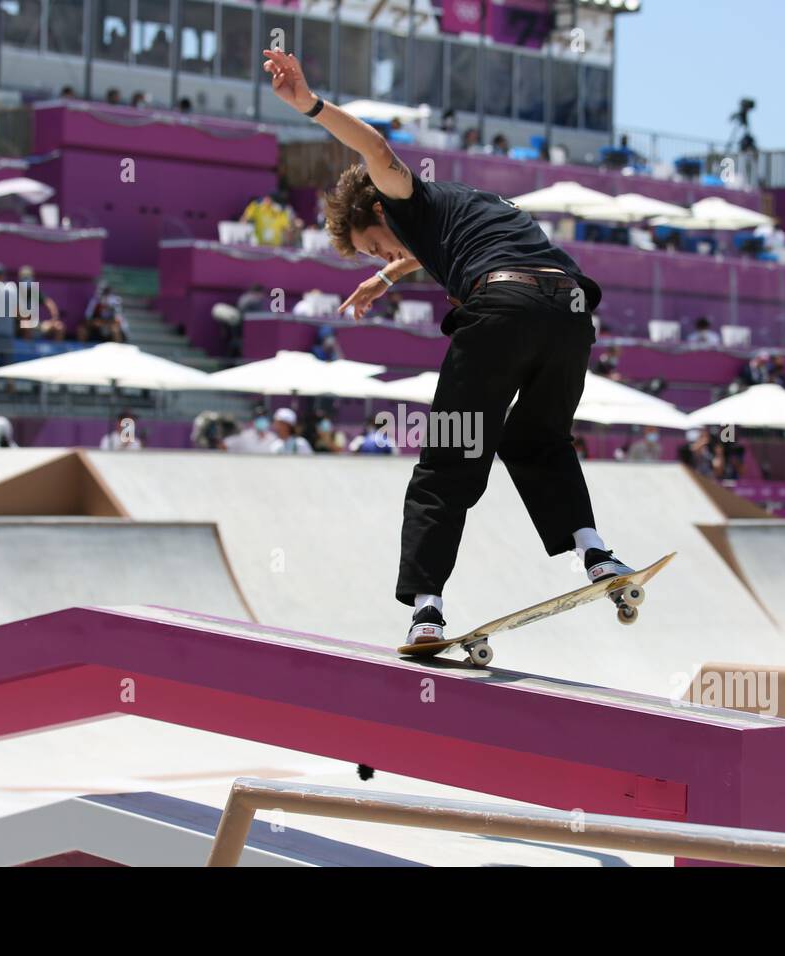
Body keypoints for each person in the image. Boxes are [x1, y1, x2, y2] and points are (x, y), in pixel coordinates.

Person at [261, 47, 627, 647]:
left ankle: (426, 609)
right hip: (570, 310)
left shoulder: (402, 196)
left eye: (373, 246)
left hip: (501, 311)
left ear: (378, 208)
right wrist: (384, 277)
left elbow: (375, 151)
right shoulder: (467, 206)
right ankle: (596, 554)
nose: (383, 255)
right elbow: (418, 253)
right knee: (538, 440)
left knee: (448, 461)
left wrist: (310, 104)